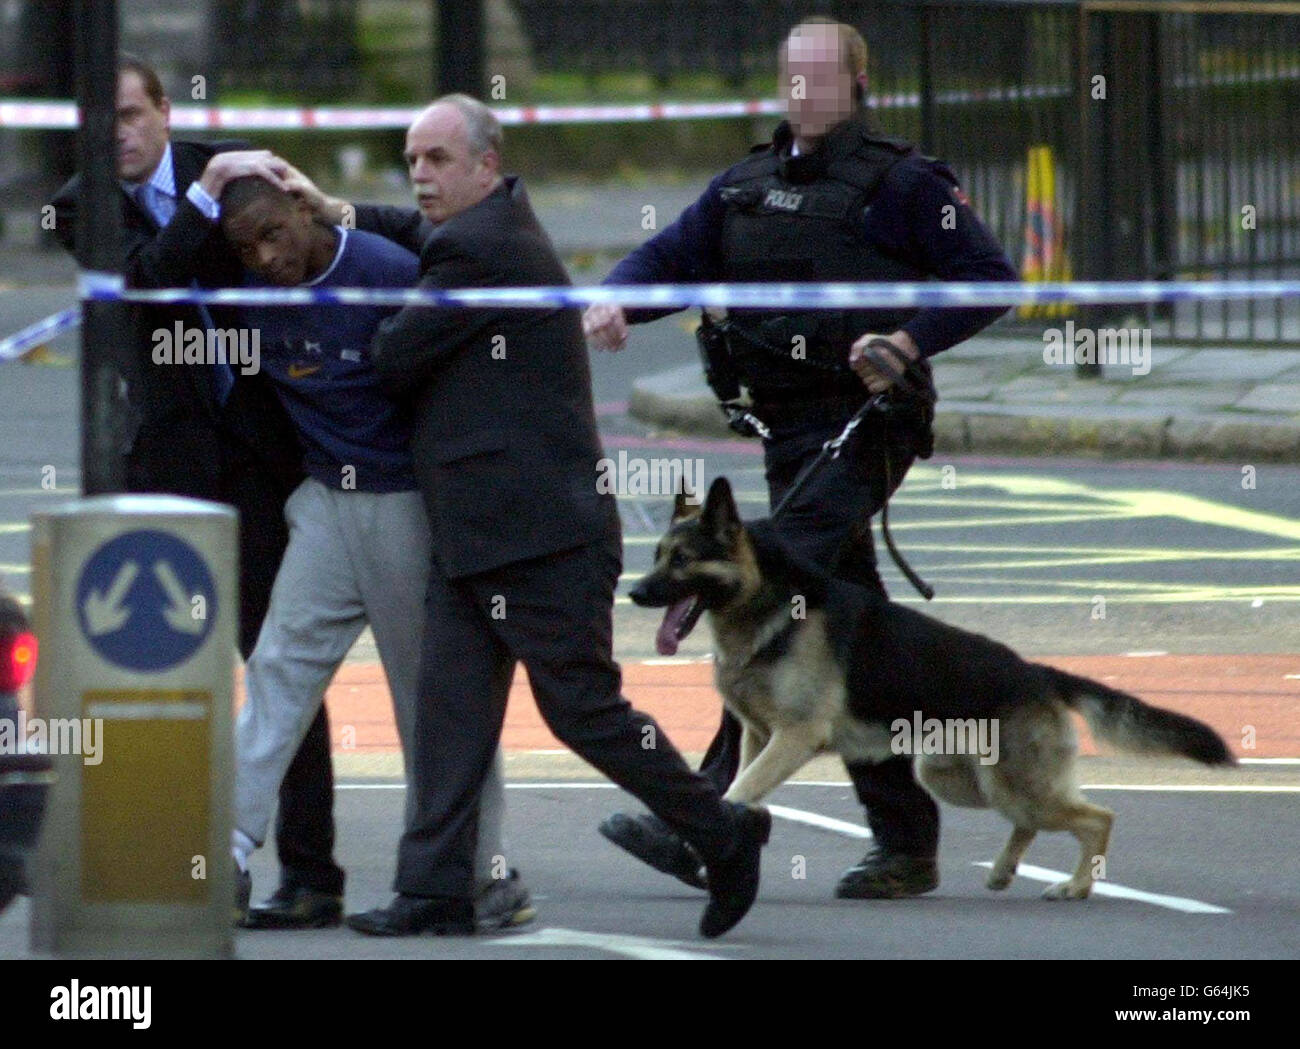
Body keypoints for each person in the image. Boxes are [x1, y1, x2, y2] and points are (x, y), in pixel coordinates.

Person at [286, 94, 769, 939]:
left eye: (438, 160)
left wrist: (358, 310)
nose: (422, 177)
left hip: (542, 537)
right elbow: (422, 229)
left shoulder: (482, 253)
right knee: (448, 715)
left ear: (487, 164)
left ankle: (722, 830)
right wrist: (344, 213)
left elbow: (395, 358)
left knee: (582, 710)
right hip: (480, 532)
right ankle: (435, 889)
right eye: (412, 161)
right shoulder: (488, 227)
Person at [583, 17, 1017, 900]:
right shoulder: (747, 182)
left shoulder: (902, 182)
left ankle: (706, 817)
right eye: (793, 73)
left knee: (773, 576)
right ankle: (905, 846)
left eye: (824, 74)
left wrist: (904, 339)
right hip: (785, 431)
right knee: (853, 633)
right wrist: (618, 301)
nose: (805, 89)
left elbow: (990, 275)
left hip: (862, 422)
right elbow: (673, 254)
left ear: (858, 82)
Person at [47, 55, 344, 916]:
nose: (117, 135)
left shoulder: (239, 164)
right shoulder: (80, 205)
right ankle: (158, 857)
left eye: (131, 115)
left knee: (280, 661)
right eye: (100, 122)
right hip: (167, 465)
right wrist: (206, 202)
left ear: (166, 113)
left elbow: (318, 249)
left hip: (262, 453)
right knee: (159, 667)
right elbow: (146, 286)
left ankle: (311, 874)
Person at [214, 175, 532, 930]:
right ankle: (217, 853)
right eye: (246, 247)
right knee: (276, 672)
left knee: (435, 702)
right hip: (326, 501)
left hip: (404, 504)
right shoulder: (244, 294)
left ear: (303, 207)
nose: (265, 256)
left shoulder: (388, 270)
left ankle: (483, 872)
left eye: (273, 233)